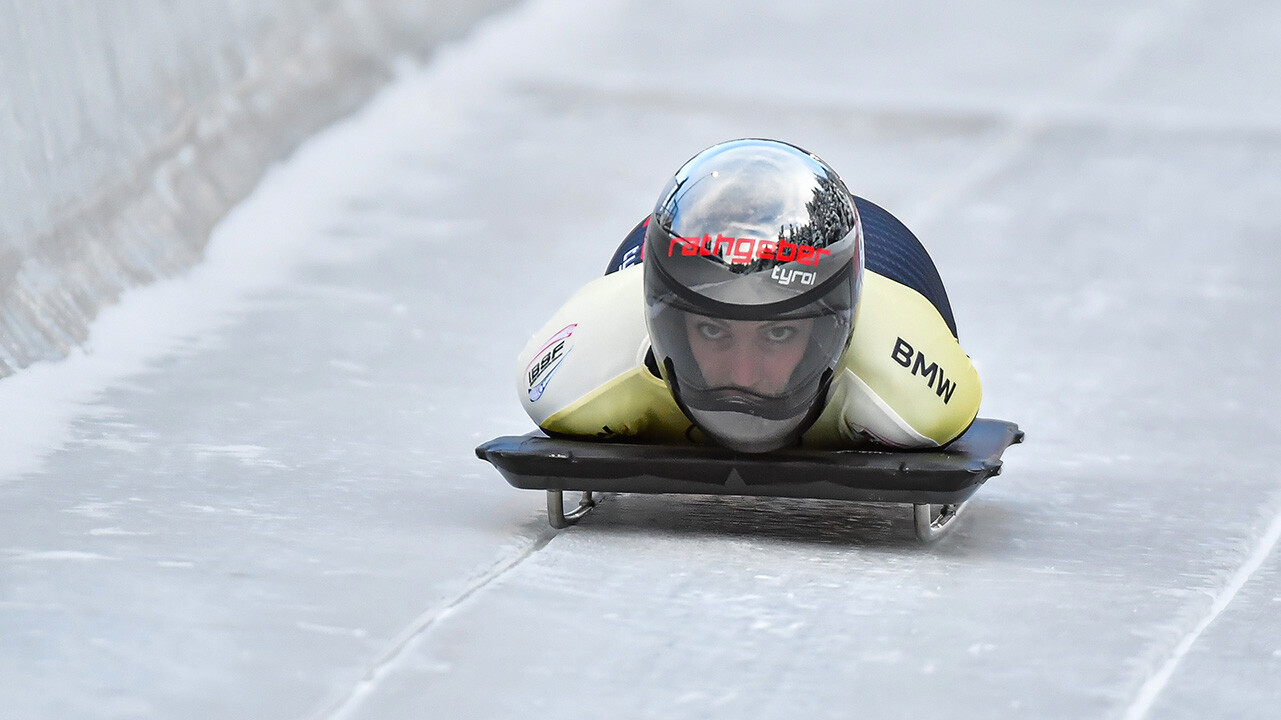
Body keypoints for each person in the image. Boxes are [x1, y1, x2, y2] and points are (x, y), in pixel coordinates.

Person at [516, 138, 980, 454]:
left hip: (886, 251)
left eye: (778, 332)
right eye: (712, 328)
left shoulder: (918, 399)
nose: (742, 376)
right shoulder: (576, 379)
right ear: (663, 322)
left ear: (837, 327)